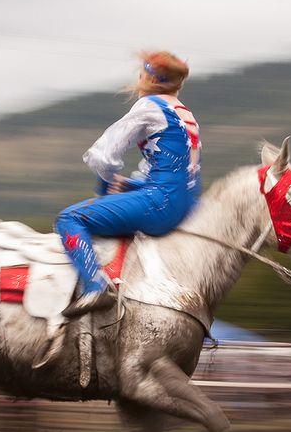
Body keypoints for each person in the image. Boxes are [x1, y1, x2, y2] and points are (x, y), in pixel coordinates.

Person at [55, 51, 201, 317]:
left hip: (161, 204)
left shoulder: (149, 106)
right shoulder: (185, 113)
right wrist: (130, 185)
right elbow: (176, 170)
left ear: (152, 80)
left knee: (70, 219)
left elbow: (104, 155)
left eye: (141, 73)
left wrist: (108, 180)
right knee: (125, 195)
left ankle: (95, 285)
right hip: (187, 203)